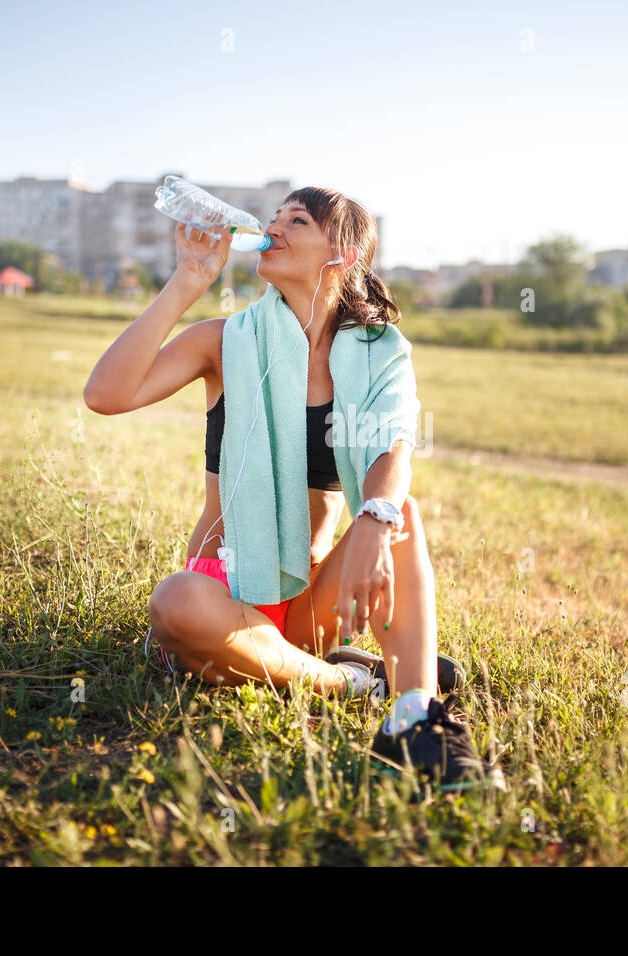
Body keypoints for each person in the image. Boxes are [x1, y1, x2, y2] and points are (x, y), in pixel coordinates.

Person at [84, 186, 503, 792]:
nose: (274, 228)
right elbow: (106, 395)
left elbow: (393, 451)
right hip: (224, 594)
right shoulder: (225, 342)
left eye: (297, 220)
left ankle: (413, 718)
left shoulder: (379, 354)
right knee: (175, 601)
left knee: (398, 510)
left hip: (308, 604)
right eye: (274, 218)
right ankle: (351, 681)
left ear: (345, 253)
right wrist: (187, 281)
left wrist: (375, 523)